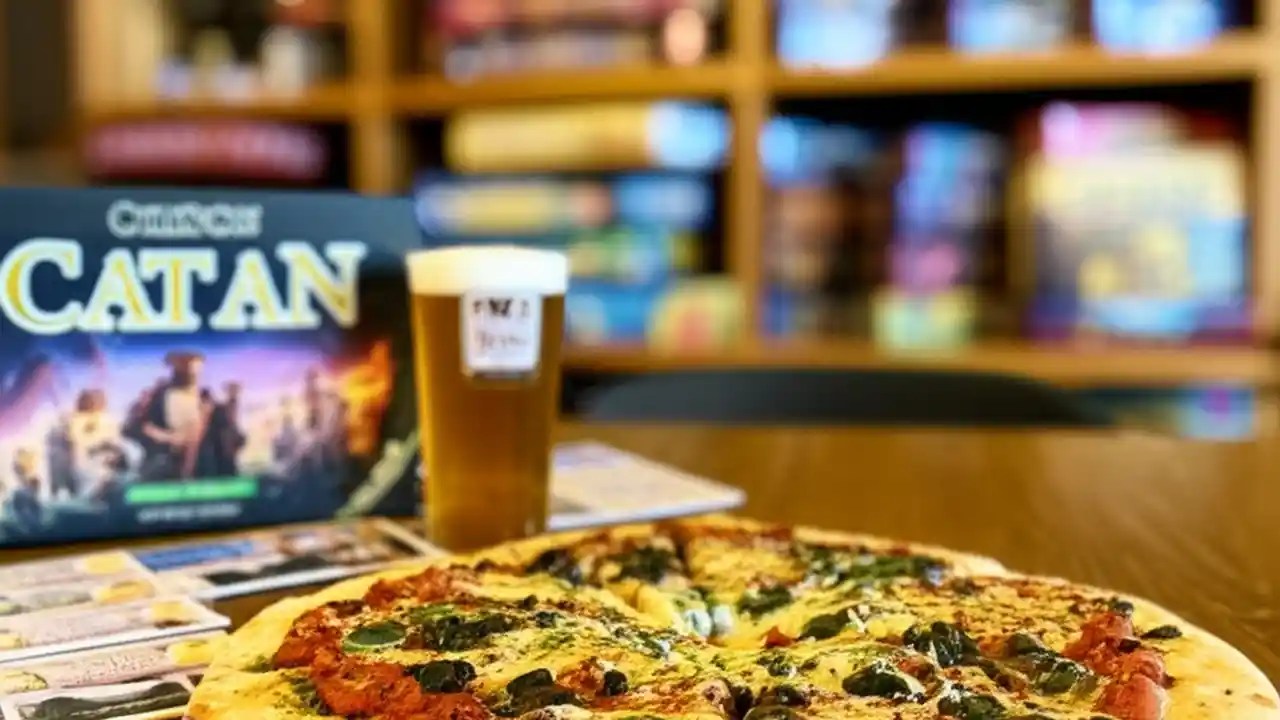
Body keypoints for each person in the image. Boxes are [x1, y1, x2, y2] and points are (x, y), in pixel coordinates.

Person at [139, 352, 216, 480]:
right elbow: (141, 426)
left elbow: (218, 431)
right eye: (186, 368)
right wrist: (166, 437)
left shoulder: (205, 396)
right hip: (163, 462)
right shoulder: (158, 396)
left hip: (200, 466)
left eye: (196, 370)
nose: (193, 374)